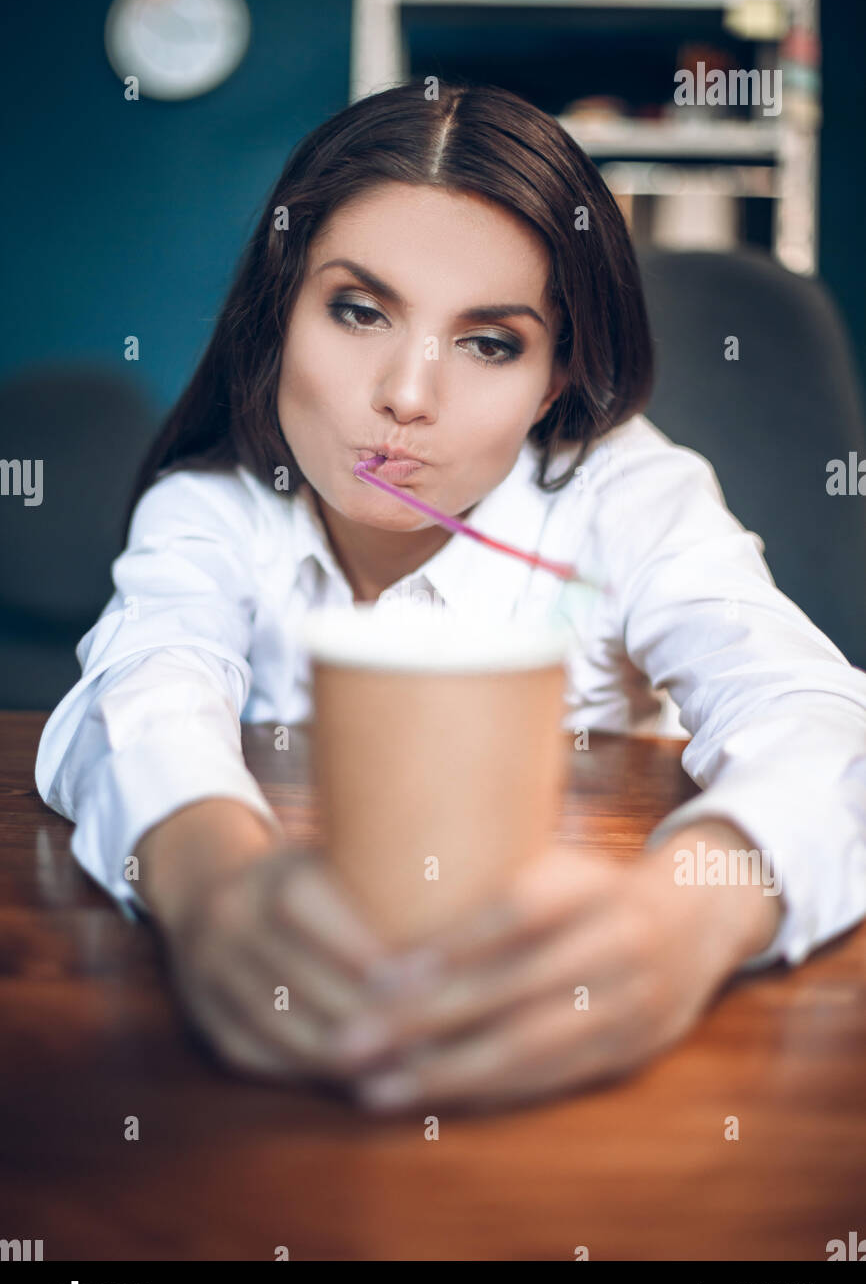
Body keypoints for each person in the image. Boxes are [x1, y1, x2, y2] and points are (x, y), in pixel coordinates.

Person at [35, 79, 866, 1115]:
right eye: (357, 310)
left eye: (488, 342)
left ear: (555, 377)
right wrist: (209, 887)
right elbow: (136, 692)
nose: (407, 395)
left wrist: (685, 921)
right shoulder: (214, 506)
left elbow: (813, 714)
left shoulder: (626, 493)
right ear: (278, 314)